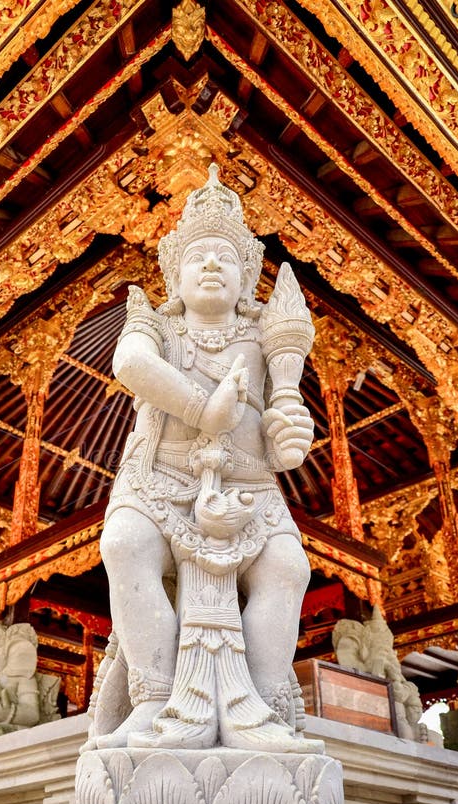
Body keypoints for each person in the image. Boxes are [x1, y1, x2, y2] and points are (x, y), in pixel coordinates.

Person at [93, 165, 315, 751]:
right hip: (159, 482)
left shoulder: (265, 336)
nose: (212, 264)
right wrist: (204, 409)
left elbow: (279, 422)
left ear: (247, 278)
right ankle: (154, 696)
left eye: (226, 256)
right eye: (199, 256)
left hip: (251, 490)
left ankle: (265, 705)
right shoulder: (155, 326)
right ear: (175, 274)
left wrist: (290, 437)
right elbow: (130, 366)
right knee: (123, 546)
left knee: (288, 569)